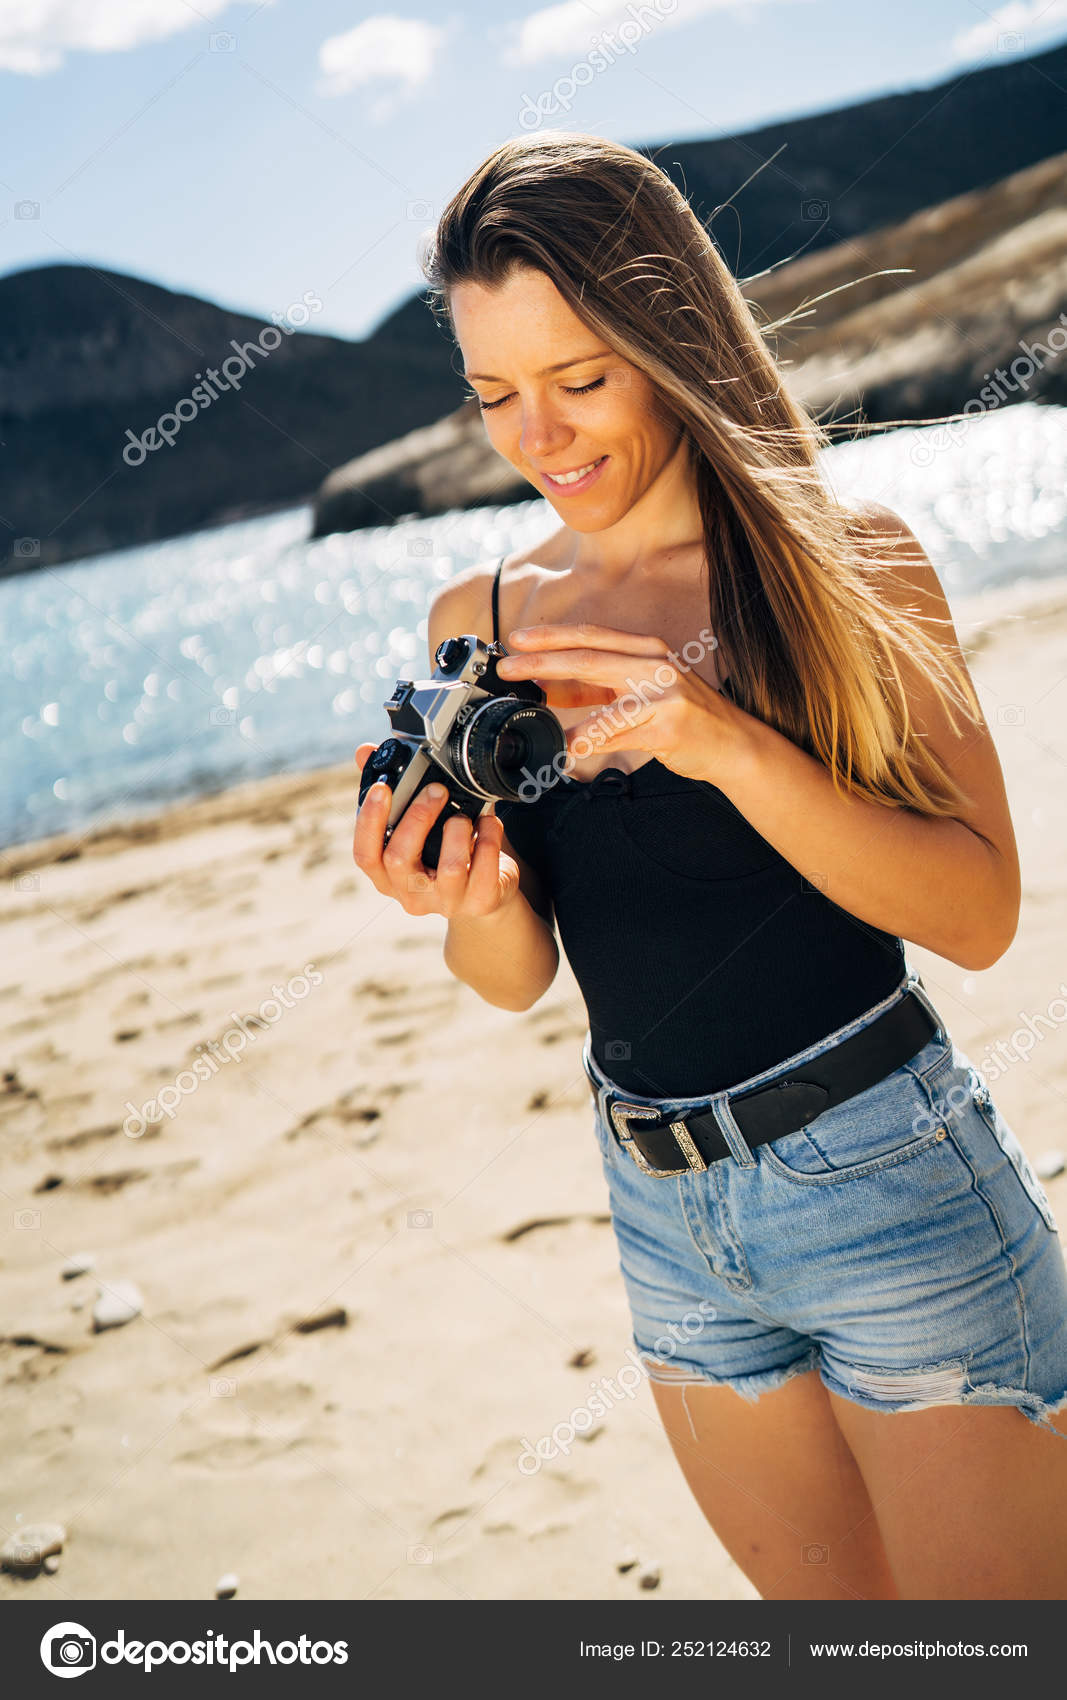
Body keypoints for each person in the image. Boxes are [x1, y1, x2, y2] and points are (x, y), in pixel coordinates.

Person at [352, 132, 1067, 1601]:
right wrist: (461, 897)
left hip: (888, 1174)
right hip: (665, 1217)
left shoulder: (844, 561)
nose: (538, 437)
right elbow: (513, 978)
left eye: (582, 380)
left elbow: (981, 913)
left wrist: (729, 746)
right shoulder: (477, 618)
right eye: (494, 395)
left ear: (669, 341)